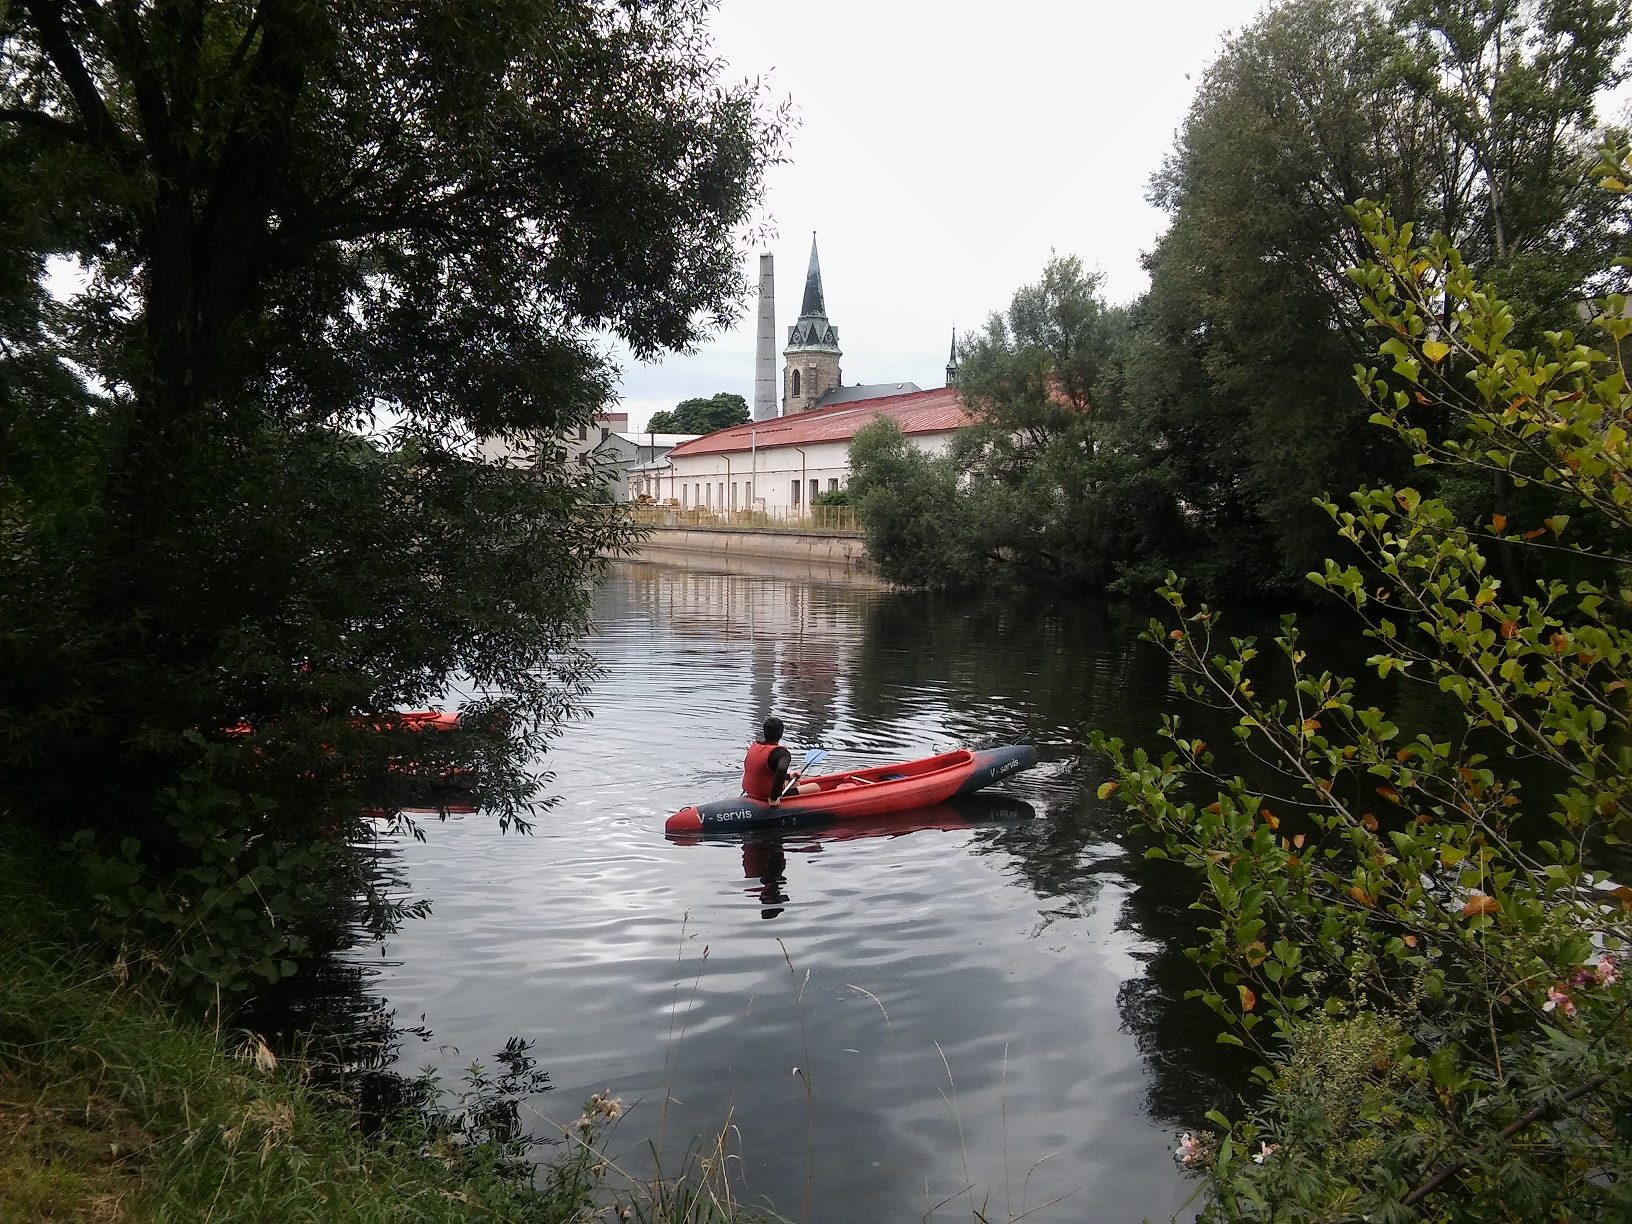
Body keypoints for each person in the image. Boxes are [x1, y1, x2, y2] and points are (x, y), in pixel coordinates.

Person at [742, 716, 818, 806]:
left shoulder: (754, 747)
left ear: (764, 732)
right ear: (781, 733)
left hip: (750, 791)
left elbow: (764, 770)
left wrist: (789, 776)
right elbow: (781, 769)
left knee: (794, 782)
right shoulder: (782, 753)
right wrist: (773, 798)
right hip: (765, 796)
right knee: (815, 787)